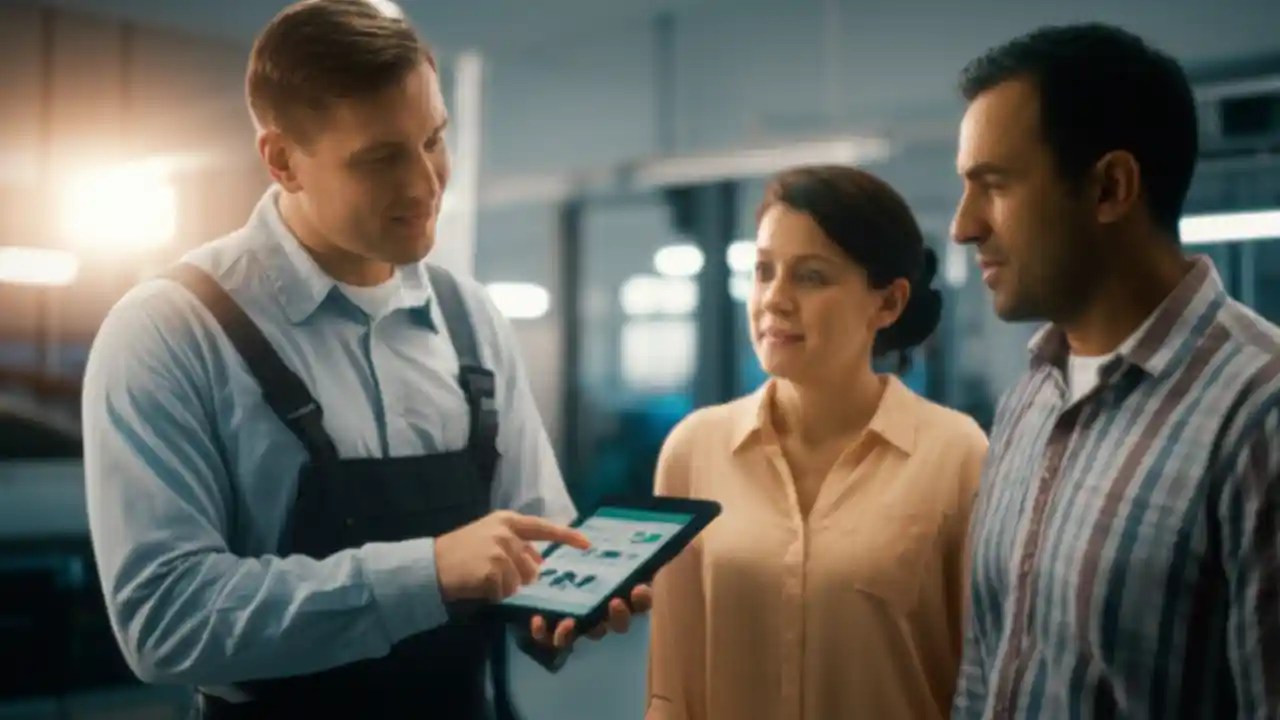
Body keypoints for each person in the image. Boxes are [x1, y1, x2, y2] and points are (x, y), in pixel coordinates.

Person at [80, 2, 647, 718]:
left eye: (434, 139)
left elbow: (533, 538)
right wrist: (429, 573)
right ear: (283, 160)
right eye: (381, 157)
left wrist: (561, 611)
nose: (426, 183)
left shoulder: (470, 318)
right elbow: (165, 622)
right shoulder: (170, 333)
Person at [950, 23, 1280, 719]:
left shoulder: (1260, 414)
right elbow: (984, 671)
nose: (963, 225)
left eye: (994, 186)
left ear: (1110, 188)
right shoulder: (1029, 398)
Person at [645, 165, 990, 720]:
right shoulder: (694, 450)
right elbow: (671, 690)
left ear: (888, 303)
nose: (774, 299)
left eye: (811, 277)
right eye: (763, 271)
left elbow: (978, 684)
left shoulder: (955, 454)